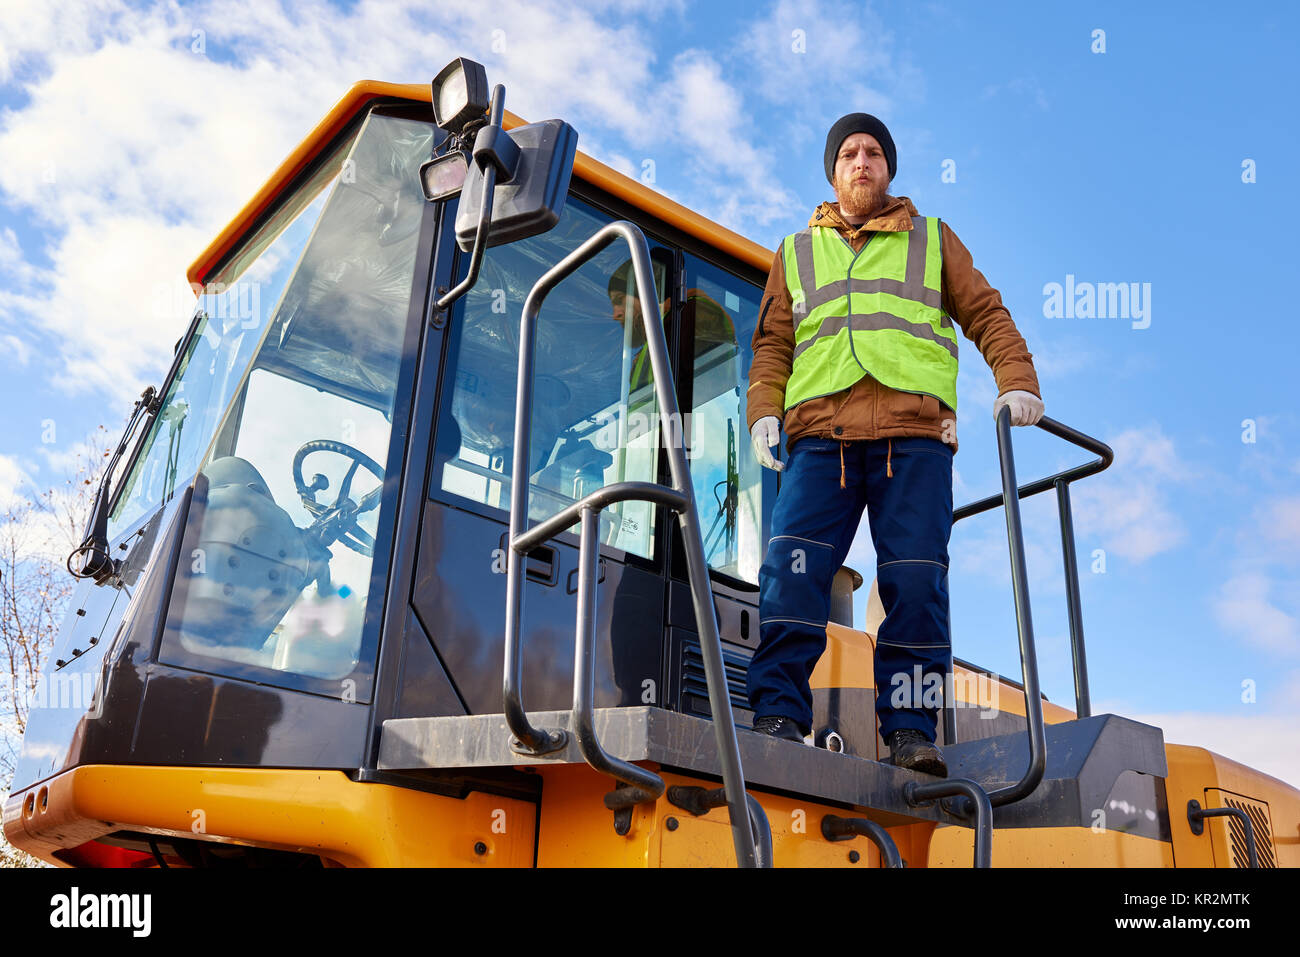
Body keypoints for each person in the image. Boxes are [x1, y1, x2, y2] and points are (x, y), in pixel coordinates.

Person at [744, 113, 1045, 776]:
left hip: (915, 441)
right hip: (821, 439)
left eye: (873, 152)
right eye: (849, 152)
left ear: (888, 169)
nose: (861, 161)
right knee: (791, 575)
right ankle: (777, 715)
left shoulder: (933, 241)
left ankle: (911, 730)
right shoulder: (795, 252)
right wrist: (764, 410)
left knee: (915, 583)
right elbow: (772, 344)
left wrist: (1016, 379)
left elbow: (987, 313)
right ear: (833, 170)